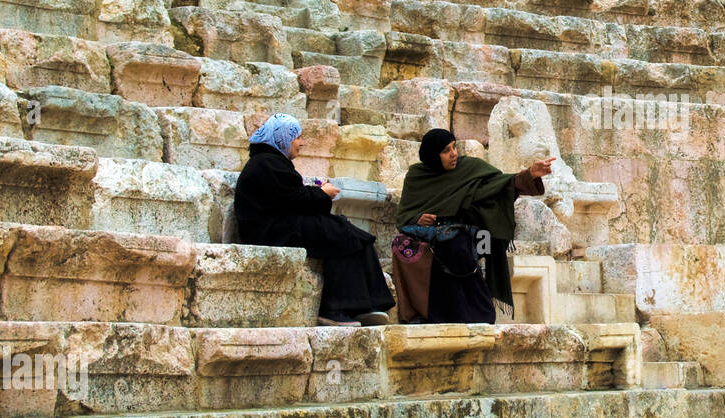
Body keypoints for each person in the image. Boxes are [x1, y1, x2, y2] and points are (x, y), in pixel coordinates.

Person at [234, 113, 395, 327]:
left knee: (348, 233)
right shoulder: (267, 163)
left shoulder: (269, 161)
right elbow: (294, 199)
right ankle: (334, 309)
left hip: (279, 225)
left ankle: (367, 305)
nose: (301, 143)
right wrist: (323, 193)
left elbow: (290, 197)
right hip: (270, 231)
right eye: (297, 137)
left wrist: (317, 194)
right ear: (282, 138)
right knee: (340, 233)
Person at [392, 128, 552, 324]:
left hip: (474, 232)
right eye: (446, 151)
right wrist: (417, 218)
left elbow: (502, 184)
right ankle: (421, 312)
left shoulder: (469, 167)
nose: (454, 154)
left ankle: (479, 313)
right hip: (429, 233)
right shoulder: (416, 175)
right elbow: (404, 216)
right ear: (433, 156)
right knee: (401, 245)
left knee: (454, 246)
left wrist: (530, 174)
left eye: (454, 147)